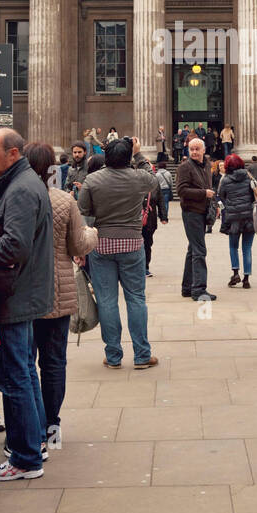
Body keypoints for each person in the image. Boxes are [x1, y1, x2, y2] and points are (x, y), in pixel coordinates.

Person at [0, 128, 53, 480]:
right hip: (21, 291)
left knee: (15, 378)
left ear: (13, 153)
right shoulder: (20, 183)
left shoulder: (22, 188)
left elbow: (14, 246)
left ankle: (25, 457)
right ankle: (33, 444)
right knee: (23, 372)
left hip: (15, 293)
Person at [25, 143, 97, 444]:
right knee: (53, 363)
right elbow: (79, 247)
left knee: (25, 364)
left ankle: (29, 426)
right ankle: (51, 427)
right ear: (53, 168)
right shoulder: (64, 201)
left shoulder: (12, 197)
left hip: (21, 295)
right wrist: (92, 234)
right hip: (58, 290)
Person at [77, 138, 159, 367]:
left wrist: (81, 245)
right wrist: (140, 155)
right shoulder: (138, 177)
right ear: (128, 157)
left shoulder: (92, 180)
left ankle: (113, 355)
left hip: (102, 244)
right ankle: (142, 354)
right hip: (132, 243)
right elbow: (154, 180)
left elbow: (83, 213)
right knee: (136, 299)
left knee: (107, 301)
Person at [175, 137, 216, 303]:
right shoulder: (185, 167)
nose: (194, 152)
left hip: (202, 211)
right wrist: (203, 194)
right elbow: (181, 190)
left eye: (197, 149)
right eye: (191, 149)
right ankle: (199, 290)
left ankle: (187, 287)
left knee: (193, 249)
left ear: (204, 150)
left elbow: (207, 186)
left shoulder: (206, 165)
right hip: (191, 212)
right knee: (200, 251)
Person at [217, 153, 257, 288]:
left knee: (233, 247)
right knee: (247, 248)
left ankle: (235, 273)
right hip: (248, 217)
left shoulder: (226, 180)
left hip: (233, 218)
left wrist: (228, 206)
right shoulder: (248, 176)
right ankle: (246, 278)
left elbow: (221, 196)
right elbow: (256, 194)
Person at [141, 168, 167, 277]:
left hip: (150, 220)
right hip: (134, 219)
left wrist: (163, 216)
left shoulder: (155, 185)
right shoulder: (133, 182)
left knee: (147, 243)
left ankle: (145, 266)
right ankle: (137, 266)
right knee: (137, 244)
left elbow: (160, 200)